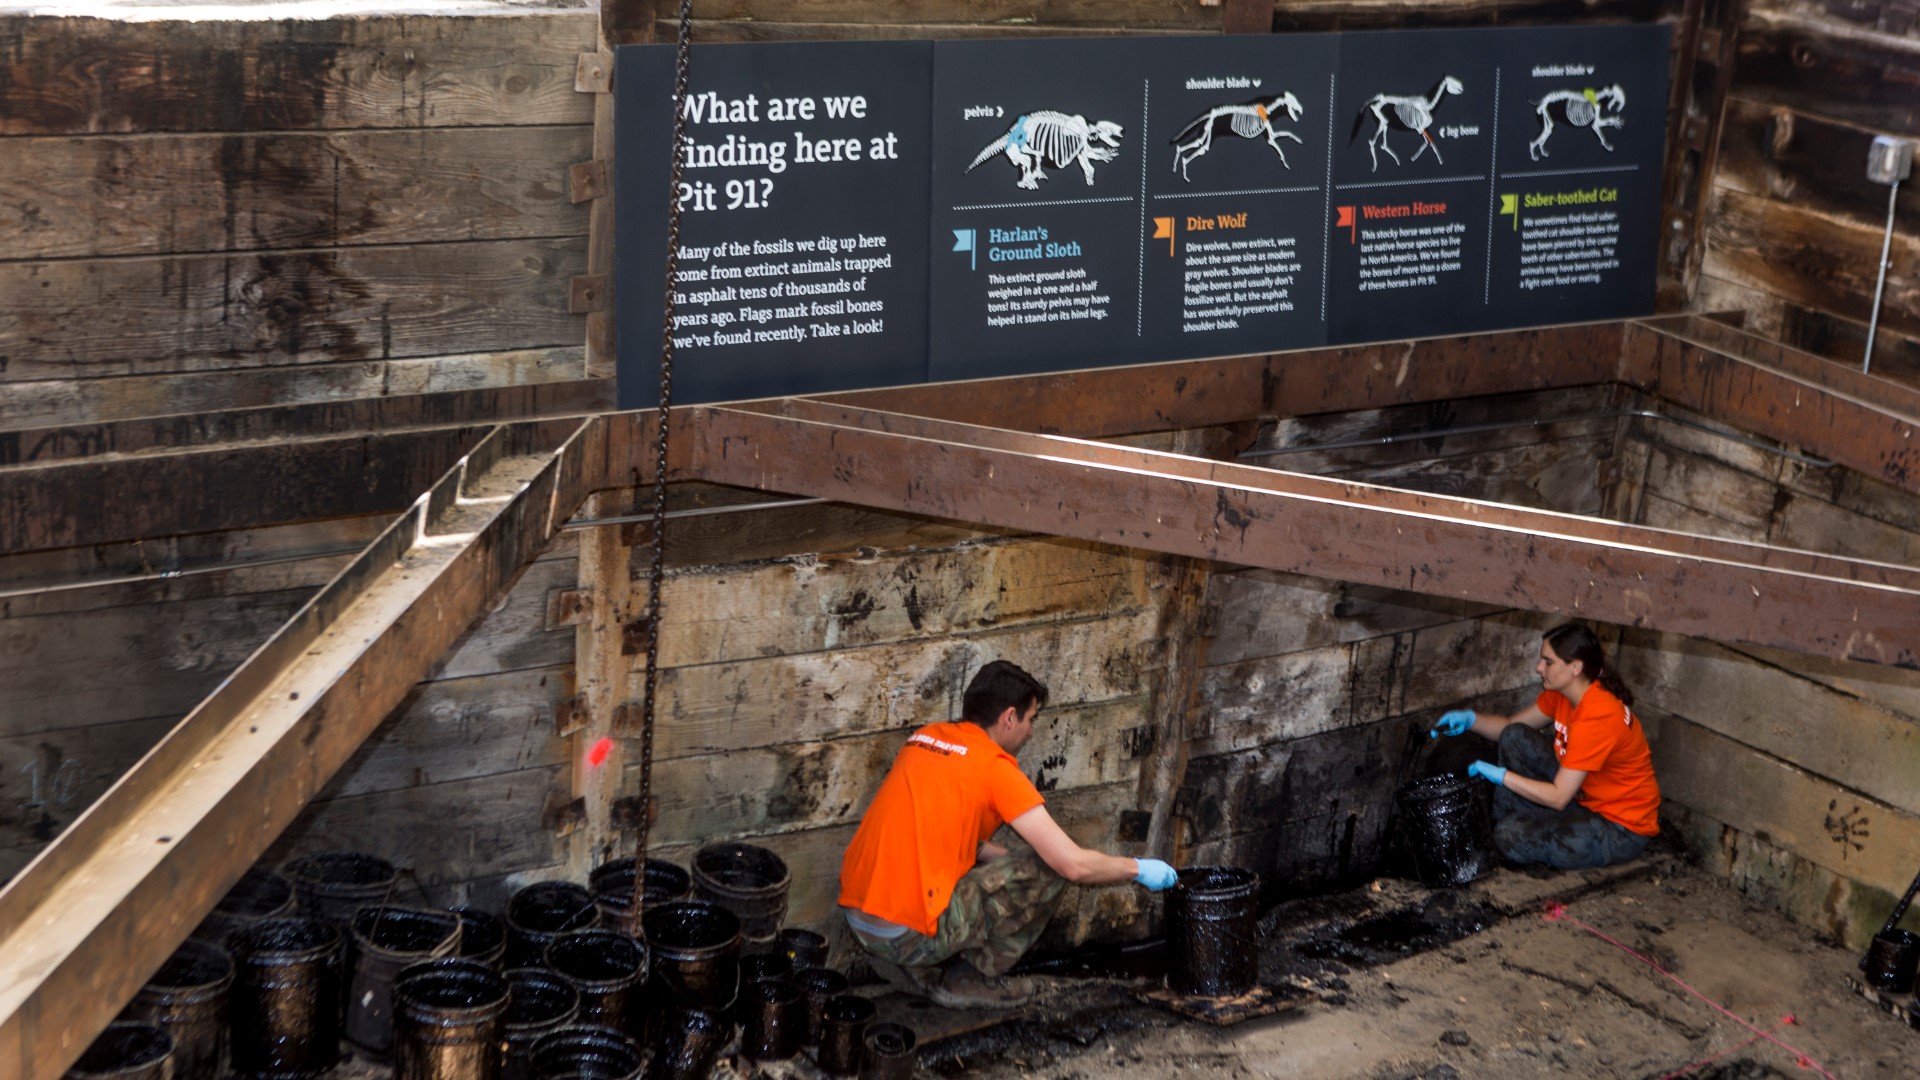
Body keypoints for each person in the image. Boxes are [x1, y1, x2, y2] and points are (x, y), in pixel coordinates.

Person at [838, 659, 1179, 1008]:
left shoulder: (926, 738)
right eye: (1031, 719)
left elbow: (952, 839)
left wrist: (1013, 864)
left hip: (857, 919)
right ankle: (969, 980)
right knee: (1051, 867)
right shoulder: (995, 769)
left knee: (1030, 862)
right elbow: (1073, 866)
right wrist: (1138, 868)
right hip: (903, 935)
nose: (1030, 731)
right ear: (1009, 717)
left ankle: (904, 961)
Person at [1428, 623, 1659, 869]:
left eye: (1548, 662)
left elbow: (1559, 796)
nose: (1539, 668)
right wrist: (1471, 720)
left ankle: (1515, 835)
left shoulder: (1598, 715)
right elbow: (1509, 725)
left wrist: (1502, 777)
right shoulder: (1565, 694)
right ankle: (1514, 825)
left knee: (1509, 838)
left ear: (1575, 668)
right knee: (1514, 736)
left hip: (1619, 829)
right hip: (1582, 796)